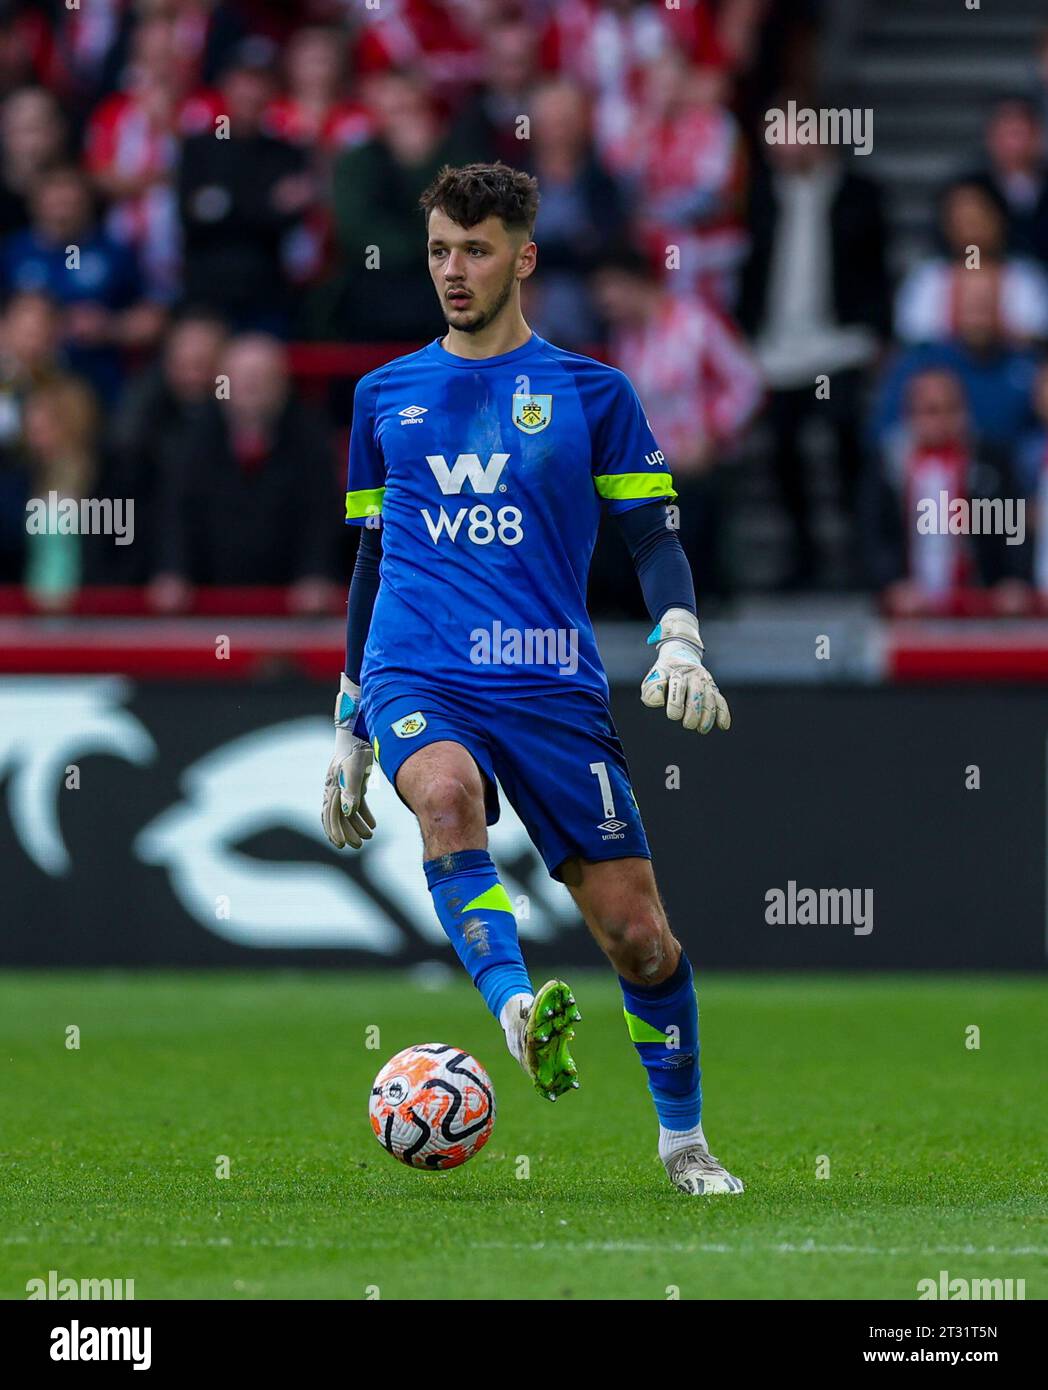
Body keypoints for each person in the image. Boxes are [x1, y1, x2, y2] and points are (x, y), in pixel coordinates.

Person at [321, 161, 743, 1198]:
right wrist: (350, 721)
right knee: (449, 797)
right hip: (419, 664)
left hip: (551, 682)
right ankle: (514, 1009)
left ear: (523, 256)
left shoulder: (591, 393)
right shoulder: (384, 395)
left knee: (640, 941)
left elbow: (651, 533)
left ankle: (682, 1141)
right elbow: (372, 561)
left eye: (474, 250)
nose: (453, 272)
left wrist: (678, 638)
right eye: (437, 251)